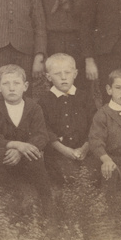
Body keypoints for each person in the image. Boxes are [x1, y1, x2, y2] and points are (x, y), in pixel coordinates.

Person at [0, 64, 52, 207]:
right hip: (4, 155)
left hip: (26, 155)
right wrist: (15, 145)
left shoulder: (34, 108)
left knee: (36, 156)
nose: (11, 88)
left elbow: (41, 135)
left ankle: (48, 207)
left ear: (25, 86)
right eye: (6, 84)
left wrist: (21, 151)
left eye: (16, 83)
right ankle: (5, 203)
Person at [39, 0, 96, 97]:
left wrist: (89, 55)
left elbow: (92, 23)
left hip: (81, 44)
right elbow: (41, 21)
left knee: (82, 87)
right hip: (54, 43)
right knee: (56, 85)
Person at [36, 53, 98, 182]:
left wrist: (85, 148)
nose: (63, 77)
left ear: (75, 74)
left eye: (68, 73)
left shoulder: (85, 97)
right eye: (57, 74)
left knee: (94, 175)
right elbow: (45, 129)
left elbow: (95, 125)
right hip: (58, 152)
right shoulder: (44, 101)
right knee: (67, 177)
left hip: (85, 149)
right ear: (49, 77)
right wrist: (64, 150)